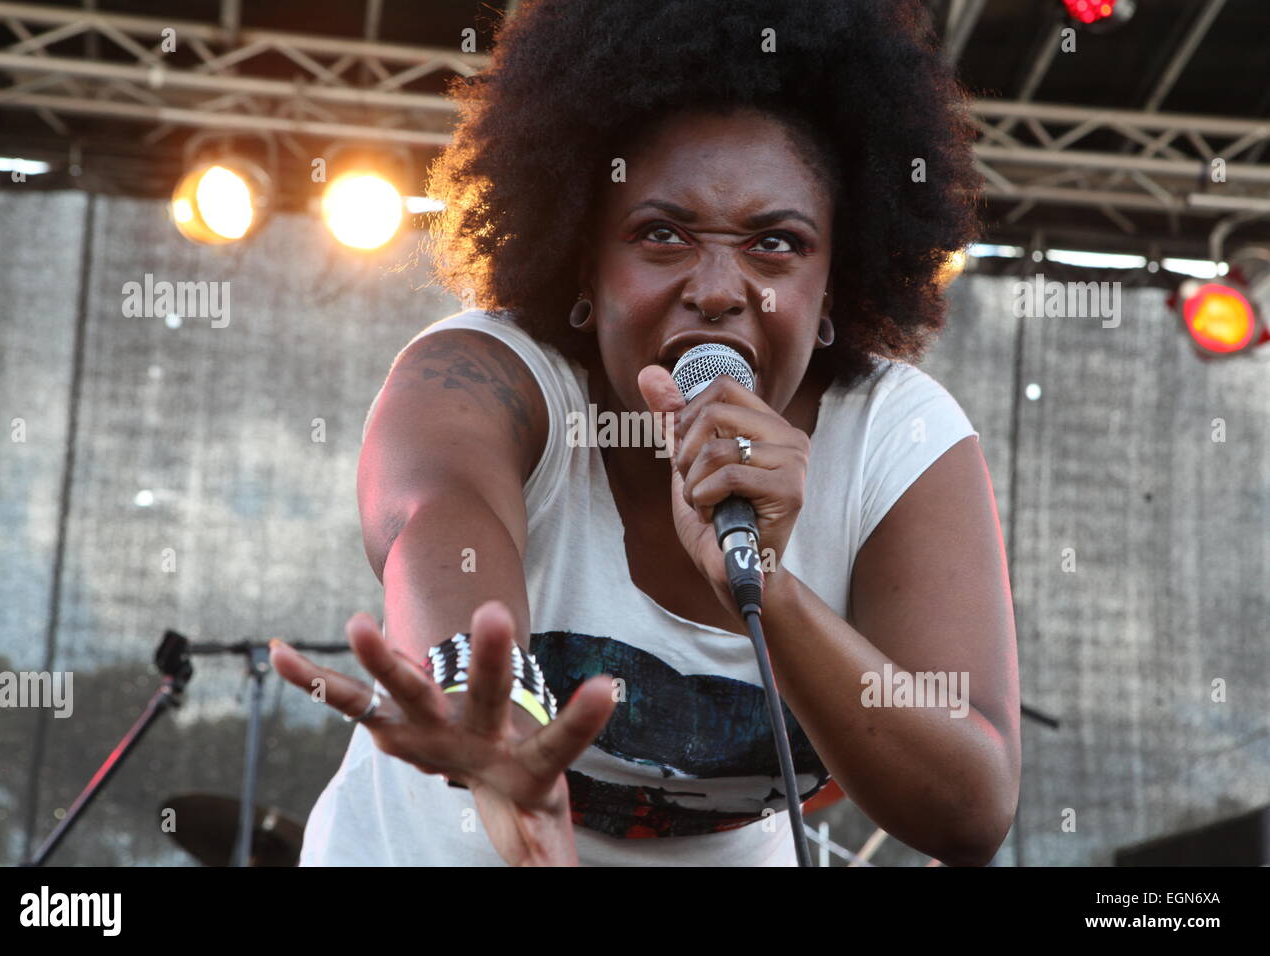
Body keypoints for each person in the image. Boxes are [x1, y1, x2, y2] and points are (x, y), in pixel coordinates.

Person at [270, 0, 1021, 866]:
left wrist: (768, 586)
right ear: (585, 264)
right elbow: (432, 521)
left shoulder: (898, 439)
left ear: (832, 294)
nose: (716, 287)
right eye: (661, 234)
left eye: (775, 243)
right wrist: (501, 729)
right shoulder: (487, 379)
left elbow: (970, 808)